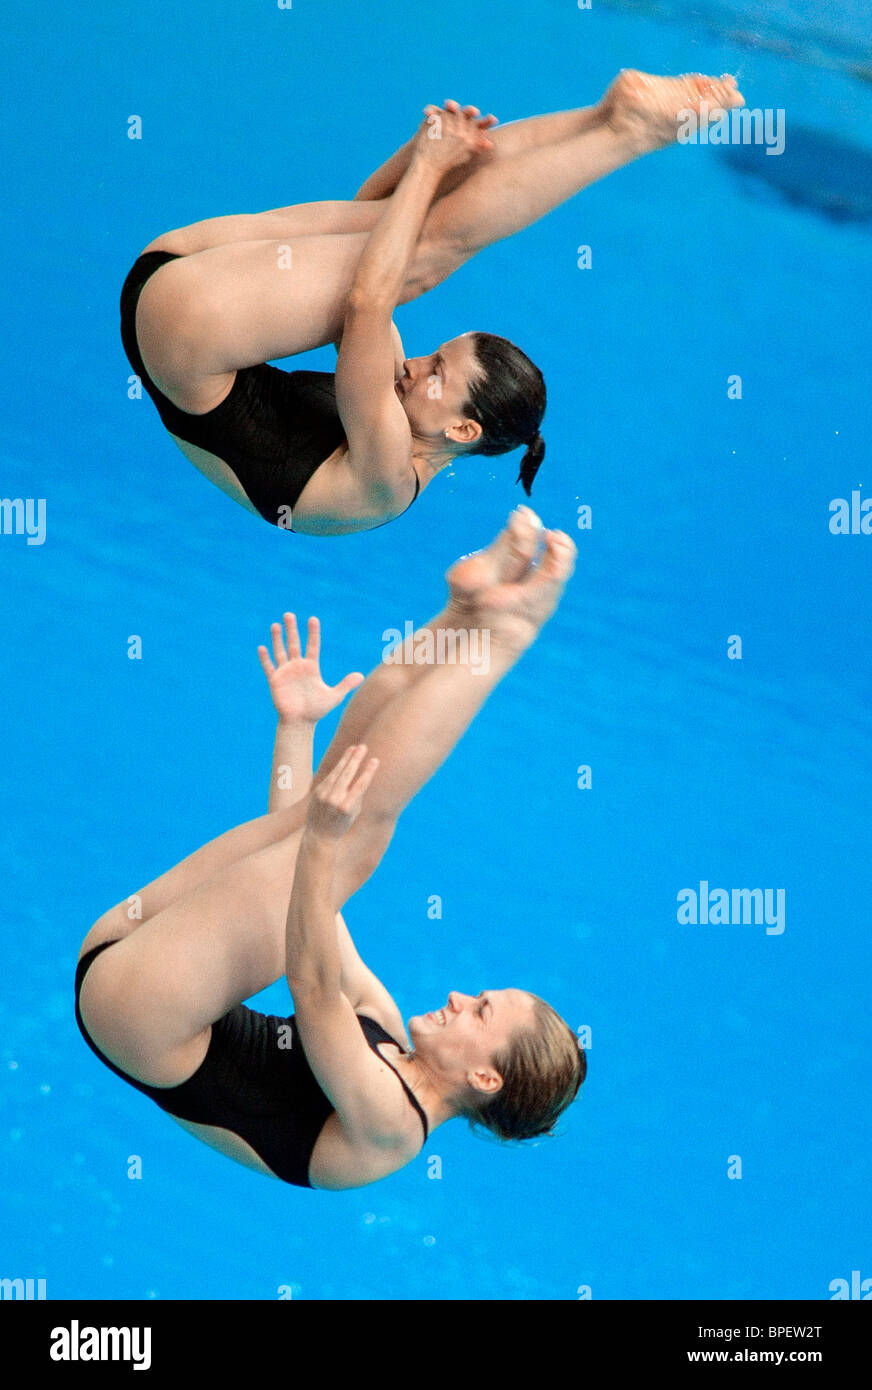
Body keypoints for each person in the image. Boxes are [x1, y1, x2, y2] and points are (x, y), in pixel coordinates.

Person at [74, 508, 584, 1189]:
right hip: (134, 969)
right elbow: (299, 906)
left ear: (484, 1077)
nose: (460, 995)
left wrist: (323, 839)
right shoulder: (385, 1025)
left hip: (144, 1017)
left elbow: (313, 986)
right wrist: (298, 729)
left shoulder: (390, 1130)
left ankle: (508, 630)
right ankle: (461, 616)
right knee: (337, 823)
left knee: (354, 836)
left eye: (481, 1011)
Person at [121, 71, 744, 535]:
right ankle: (606, 116)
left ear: (464, 430)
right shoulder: (392, 391)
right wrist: (427, 154)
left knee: (423, 254)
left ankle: (626, 130)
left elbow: (371, 299)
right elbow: (377, 209)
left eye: (437, 373)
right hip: (172, 286)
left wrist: (426, 165)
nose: (414, 364)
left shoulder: (385, 480)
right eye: (432, 357)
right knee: (410, 227)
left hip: (185, 328)